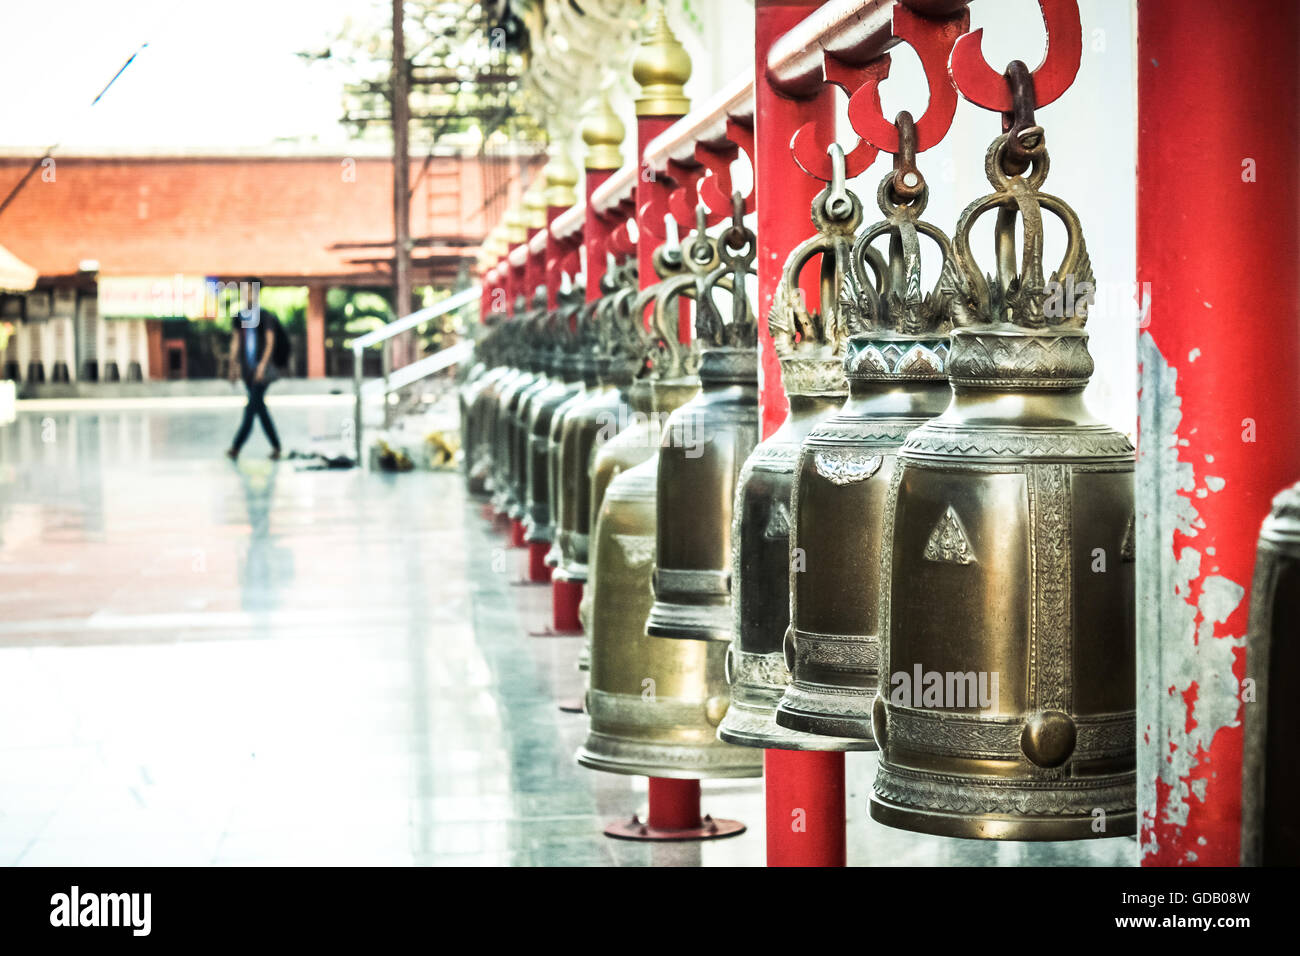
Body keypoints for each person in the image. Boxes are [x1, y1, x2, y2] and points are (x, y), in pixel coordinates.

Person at [225, 293, 285, 460]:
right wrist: (233, 365)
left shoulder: (265, 316)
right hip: (247, 371)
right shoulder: (240, 317)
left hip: (262, 371)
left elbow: (269, 342)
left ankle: (236, 446)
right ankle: (276, 447)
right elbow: (236, 341)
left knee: (252, 407)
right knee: (259, 408)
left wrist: (262, 366)